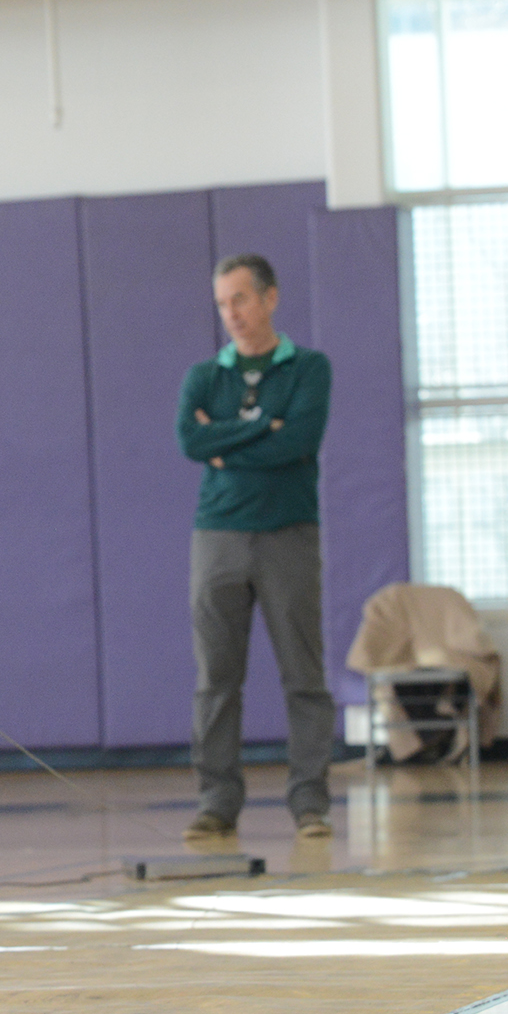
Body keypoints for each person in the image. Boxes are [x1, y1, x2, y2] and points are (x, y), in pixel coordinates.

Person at [176, 253, 335, 841]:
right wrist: (263, 427)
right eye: (223, 303)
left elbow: (300, 440)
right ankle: (217, 801)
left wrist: (227, 443)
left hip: (290, 534)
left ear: (269, 298)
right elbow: (190, 441)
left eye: (241, 299)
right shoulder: (204, 376)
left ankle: (310, 802)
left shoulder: (309, 369)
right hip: (217, 536)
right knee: (216, 680)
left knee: (304, 676)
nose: (232, 314)